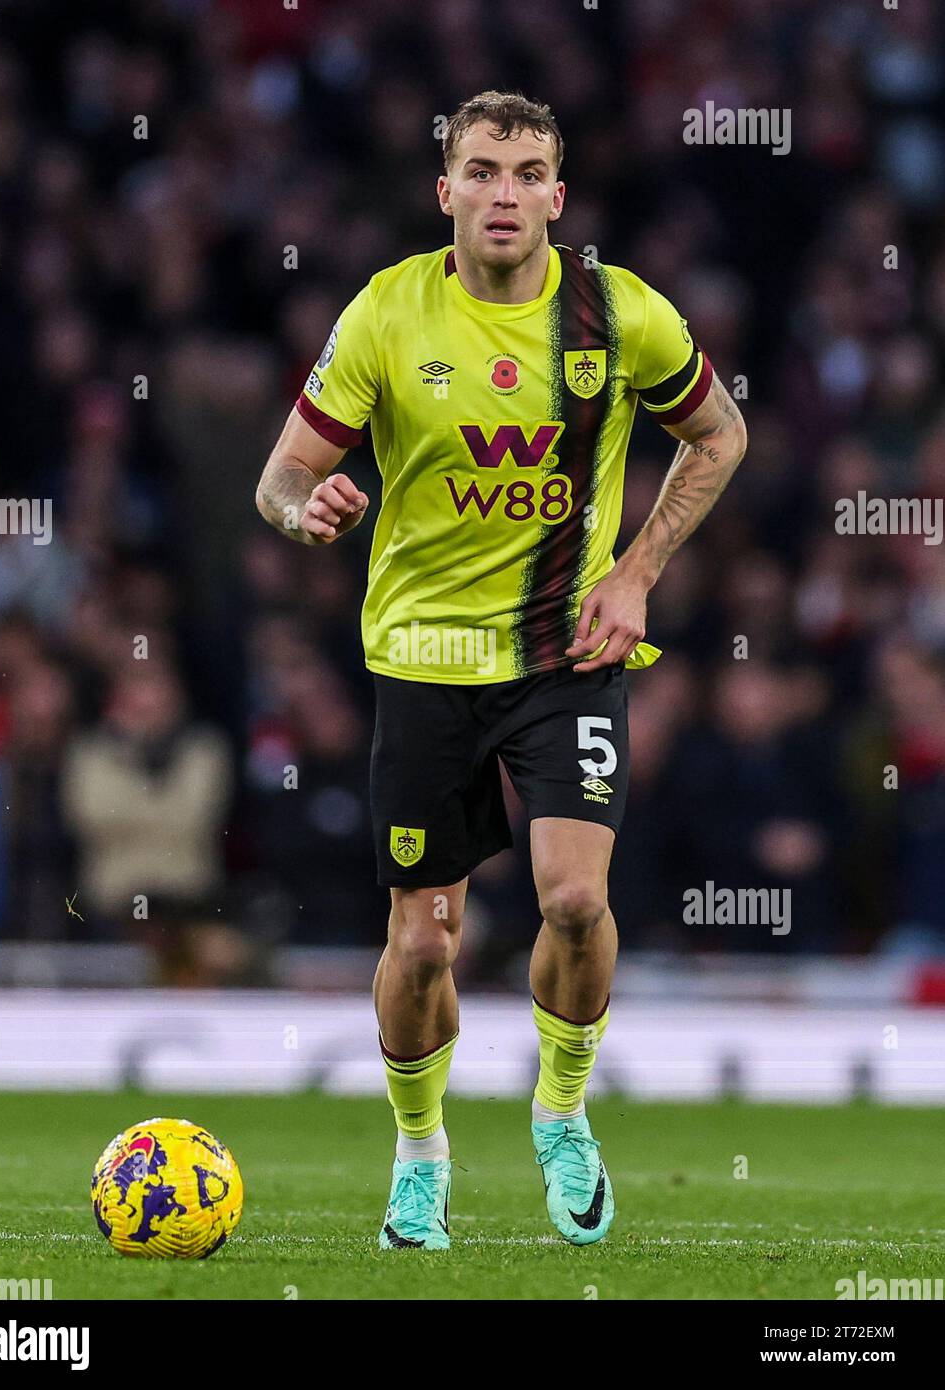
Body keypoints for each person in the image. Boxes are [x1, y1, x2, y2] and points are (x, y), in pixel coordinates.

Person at [256, 91, 747, 1249]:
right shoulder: (386, 313)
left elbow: (719, 433)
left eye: (528, 173)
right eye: (481, 171)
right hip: (422, 664)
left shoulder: (617, 313)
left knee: (575, 902)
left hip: (562, 655)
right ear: (446, 193)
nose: (504, 193)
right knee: (423, 940)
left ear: (557, 199)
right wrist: (303, 508)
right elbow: (278, 477)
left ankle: (561, 1112)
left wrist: (632, 574)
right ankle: (419, 1150)